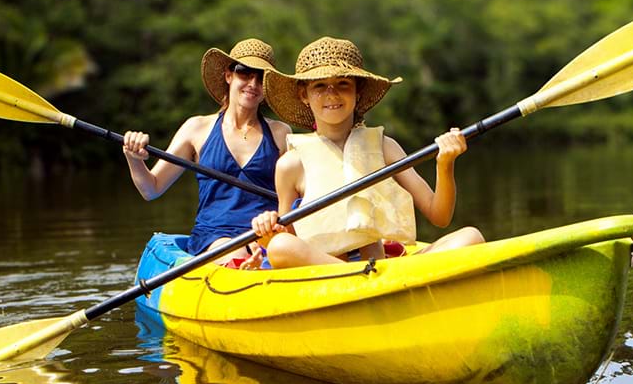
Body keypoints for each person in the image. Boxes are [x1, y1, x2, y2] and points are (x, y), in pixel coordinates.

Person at [248, 37, 484, 269]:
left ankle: (370, 275)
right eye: (319, 85)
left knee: (471, 237)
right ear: (304, 95)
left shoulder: (384, 146)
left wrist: (445, 163)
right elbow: (287, 239)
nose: (332, 94)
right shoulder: (290, 164)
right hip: (329, 272)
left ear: (357, 92)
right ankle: (357, 274)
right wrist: (268, 229)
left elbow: (439, 216)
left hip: (382, 267)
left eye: (343, 84)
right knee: (280, 246)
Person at [121, 38, 292, 260]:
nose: (253, 83)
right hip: (215, 237)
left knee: (275, 250)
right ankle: (240, 267)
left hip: (267, 234)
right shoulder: (196, 128)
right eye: (245, 73)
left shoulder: (281, 133)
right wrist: (134, 158)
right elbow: (151, 189)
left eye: (261, 78)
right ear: (228, 75)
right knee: (236, 252)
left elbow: (295, 197)